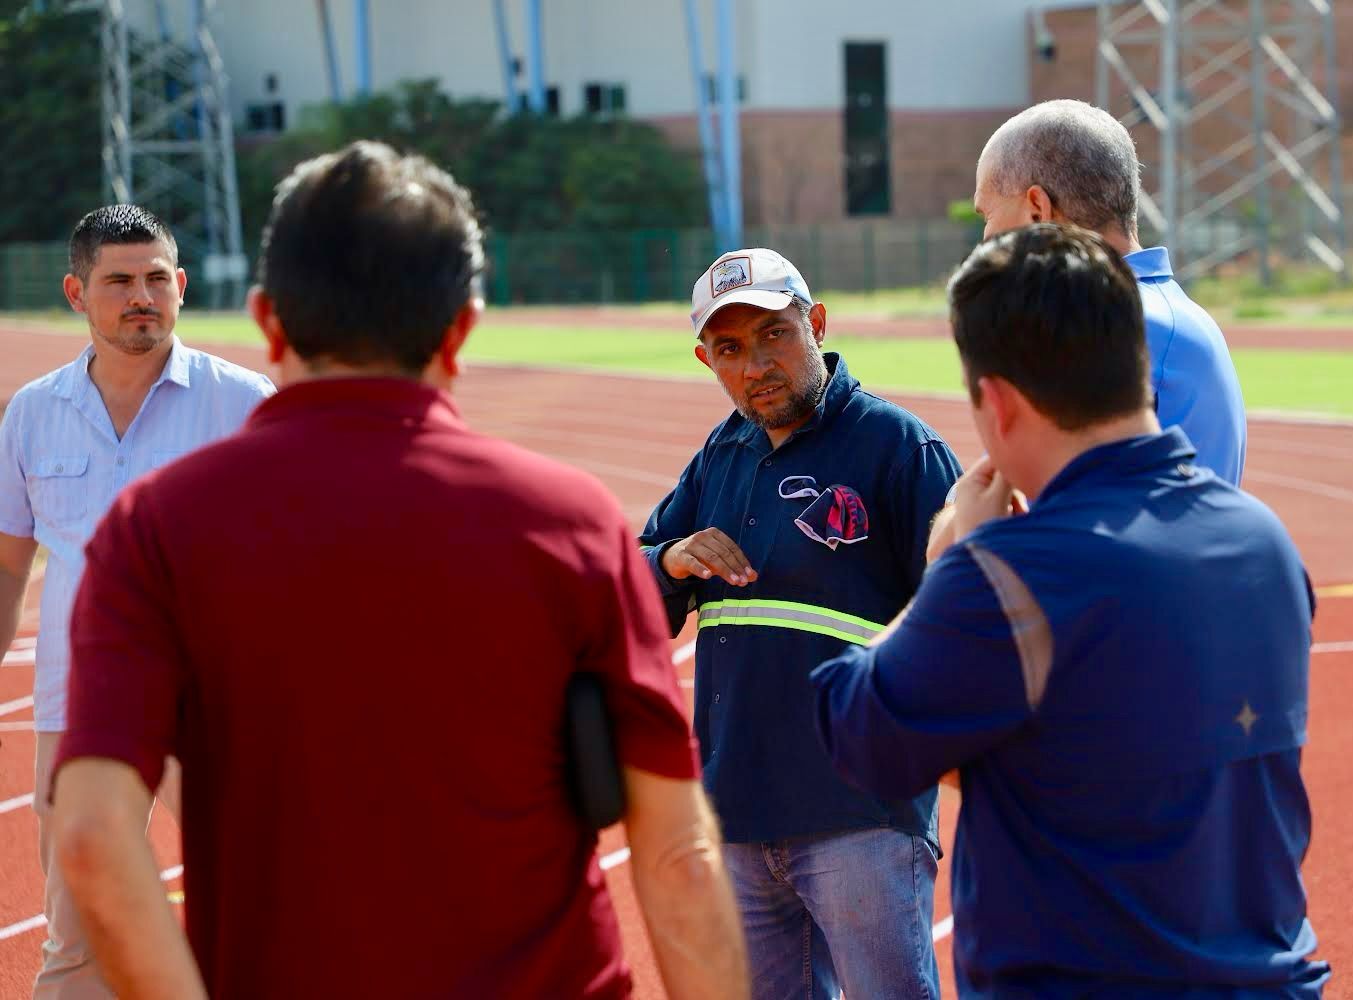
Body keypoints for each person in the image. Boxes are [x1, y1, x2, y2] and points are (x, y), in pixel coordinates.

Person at [49, 141, 747, 1000]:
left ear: (268, 320)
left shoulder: (152, 530)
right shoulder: (571, 525)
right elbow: (677, 855)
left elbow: (88, 835)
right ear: (461, 329)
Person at [811, 224, 1329, 998]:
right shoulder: (1266, 543)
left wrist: (948, 563)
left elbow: (854, 731)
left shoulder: (1007, 575)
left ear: (998, 403)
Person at [639, 248, 962, 1000]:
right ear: (705, 359)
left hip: (861, 815)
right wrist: (671, 559)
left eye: (774, 335)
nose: (756, 365)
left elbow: (965, 620)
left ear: (815, 323)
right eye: (730, 349)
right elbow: (632, 602)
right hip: (740, 813)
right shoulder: (719, 455)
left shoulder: (900, 449)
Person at [0, 204, 274, 999]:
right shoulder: (31, 414)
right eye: (117, 281)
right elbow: (10, 566)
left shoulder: (245, 402)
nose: (140, 296)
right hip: (78, 706)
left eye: (157, 278)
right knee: (77, 936)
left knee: (259, 909)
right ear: (76, 293)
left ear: (182, 285)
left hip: (215, 705)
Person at [972, 98, 1246, 485]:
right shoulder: (1162, 311)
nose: (984, 239)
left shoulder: (1110, 324)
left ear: (1037, 209)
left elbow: (1009, 507)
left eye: (987, 214)